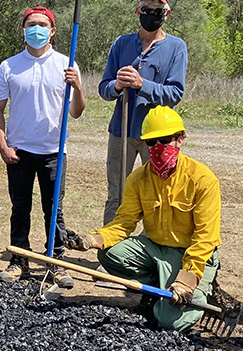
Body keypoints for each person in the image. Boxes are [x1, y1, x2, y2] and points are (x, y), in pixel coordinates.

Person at [65, 106, 222, 332]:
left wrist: (186, 280)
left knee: (168, 323)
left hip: (193, 254)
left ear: (180, 139)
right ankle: (157, 287)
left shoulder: (202, 180)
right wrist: (91, 240)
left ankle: (199, 288)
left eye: (164, 140)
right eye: (151, 142)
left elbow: (205, 239)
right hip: (156, 248)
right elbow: (123, 223)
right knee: (109, 253)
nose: (157, 148)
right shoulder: (138, 178)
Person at [0, 5, 85, 286]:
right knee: (20, 207)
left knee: (54, 209)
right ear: (23, 30)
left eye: (43, 25)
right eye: (32, 24)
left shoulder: (66, 64)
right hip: (19, 151)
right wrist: (3, 145)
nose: (37, 29)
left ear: (52, 31)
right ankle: (19, 260)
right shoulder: (9, 66)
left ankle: (55, 262)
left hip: (53, 152)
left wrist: (78, 87)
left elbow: (77, 112)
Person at [98, 0, 187, 224]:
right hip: (121, 132)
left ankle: (152, 251)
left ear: (167, 14)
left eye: (158, 10)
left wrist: (142, 84)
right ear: (138, 10)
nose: (152, 14)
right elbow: (104, 89)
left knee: (158, 195)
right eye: (147, 9)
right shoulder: (121, 44)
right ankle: (111, 250)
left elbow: (175, 93)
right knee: (117, 194)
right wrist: (117, 85)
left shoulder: (177, 47)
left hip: (159, 136)